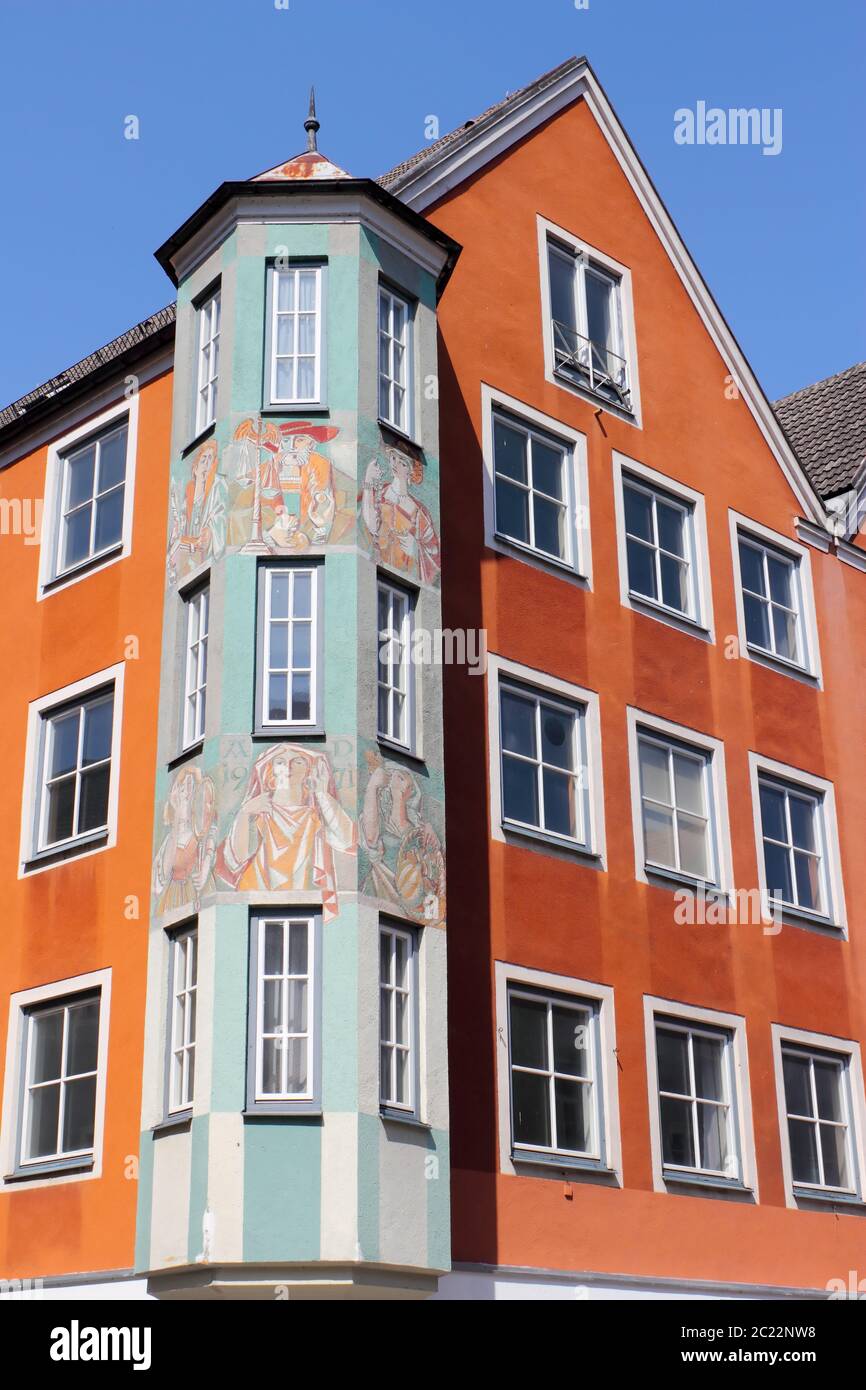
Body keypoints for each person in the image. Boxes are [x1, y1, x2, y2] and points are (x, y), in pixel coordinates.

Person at [216, 745, 355, 920]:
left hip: (303, 892)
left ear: (309, 770)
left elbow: (347, 840)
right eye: (280, 761)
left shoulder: (316, 813)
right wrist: (244, 814)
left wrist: (321, 793)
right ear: (270, 770)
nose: (288, 767)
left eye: (297, 761)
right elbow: (236, 859)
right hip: (256, 887)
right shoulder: (258, 810)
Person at [361, 446, 441, 583]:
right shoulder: (379, 493)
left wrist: (415, 546)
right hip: (377, 568)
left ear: (410, 472)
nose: (395, 465)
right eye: (393, 458)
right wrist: (368, 480)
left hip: (404, 574)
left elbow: (434, 550)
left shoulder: (419, 511)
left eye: (403, 463)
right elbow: (372, 525)